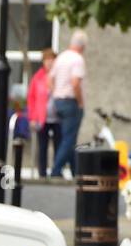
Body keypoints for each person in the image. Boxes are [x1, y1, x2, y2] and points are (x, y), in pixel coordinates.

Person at [50, 31, 88, 179]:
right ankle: (56, 170)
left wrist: (56, 94)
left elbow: (50, 79)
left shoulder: (61, 57)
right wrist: (80, 102)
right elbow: (75, 83)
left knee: (69, 137)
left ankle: (75, 170)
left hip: (58, 101)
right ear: (82, 46)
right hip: (70, 102)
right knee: (69, 138)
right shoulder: (78, 59)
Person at [28, 48, 59, 178]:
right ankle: (42, 173)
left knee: (58, 145)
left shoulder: (59, 76)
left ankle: (57, 171)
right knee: (43, 146)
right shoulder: (37, 78)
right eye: (47, 60)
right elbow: (32, 99)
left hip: (58, 118)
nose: (50, 63)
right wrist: (33, 118)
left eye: (52, 60)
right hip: (42, 118)